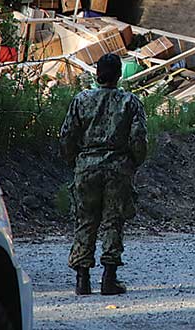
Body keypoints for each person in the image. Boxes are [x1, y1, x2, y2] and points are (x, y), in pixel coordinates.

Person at [60, 53, 148, 296]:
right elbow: (138, 138)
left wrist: (75, 162)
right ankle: (109, 278)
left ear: (97, 74)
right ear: (119, 75)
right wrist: (133, 162)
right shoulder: (130, 102)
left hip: (86, 166)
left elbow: (67, 135)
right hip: (117, 167)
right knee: (113, 220)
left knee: (85, 219)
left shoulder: (81, 100)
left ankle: (82, 279)